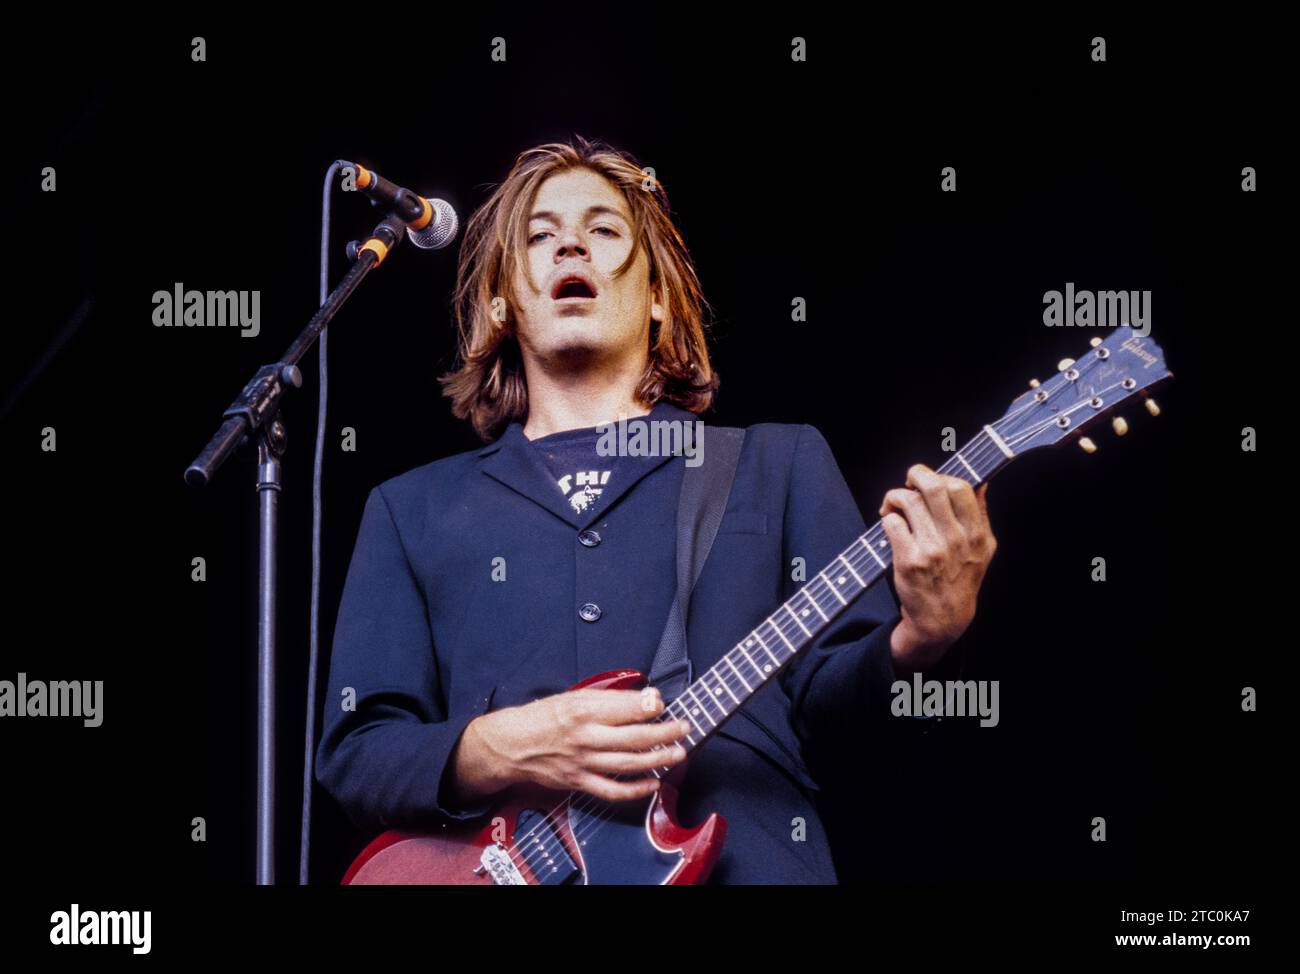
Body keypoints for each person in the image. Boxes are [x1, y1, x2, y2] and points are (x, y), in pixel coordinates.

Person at [314, 136, 997, 883]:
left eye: (604, 230)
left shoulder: (777, 465)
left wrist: (925, 638)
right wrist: (501, 744)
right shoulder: (412, 510)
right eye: (540, 235)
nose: (570, 242)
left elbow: (853, 728)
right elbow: (357, 758)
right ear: (504, 300)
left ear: (661, 296)